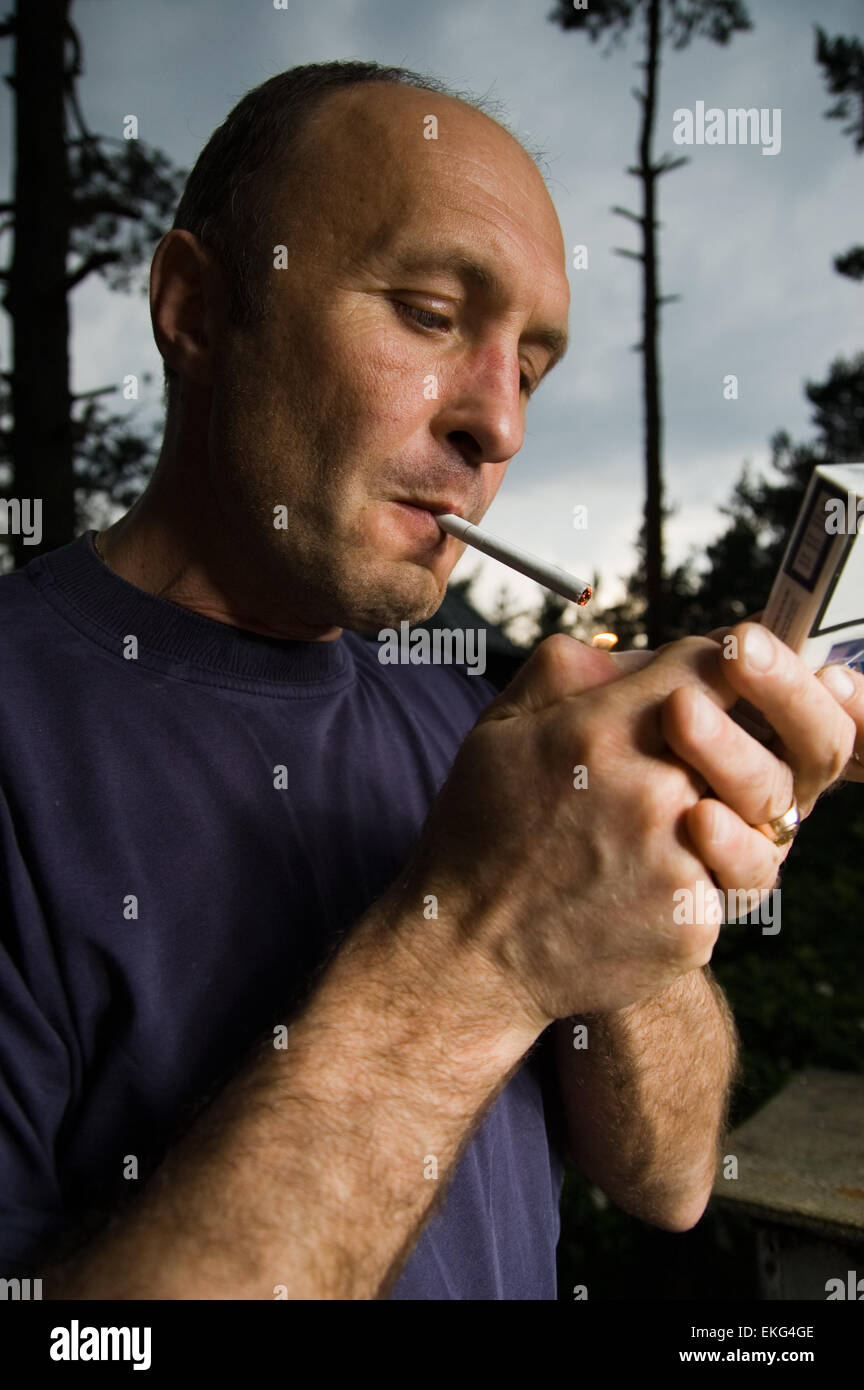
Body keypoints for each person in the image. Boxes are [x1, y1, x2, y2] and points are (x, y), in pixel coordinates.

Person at [1, 61, 861, 1302]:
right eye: (427, 312)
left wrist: (653, 844)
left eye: (533, 365)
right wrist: (474, 947)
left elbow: (669, 1178)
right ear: (195, 307)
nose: (498, 424)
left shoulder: (474, 704)